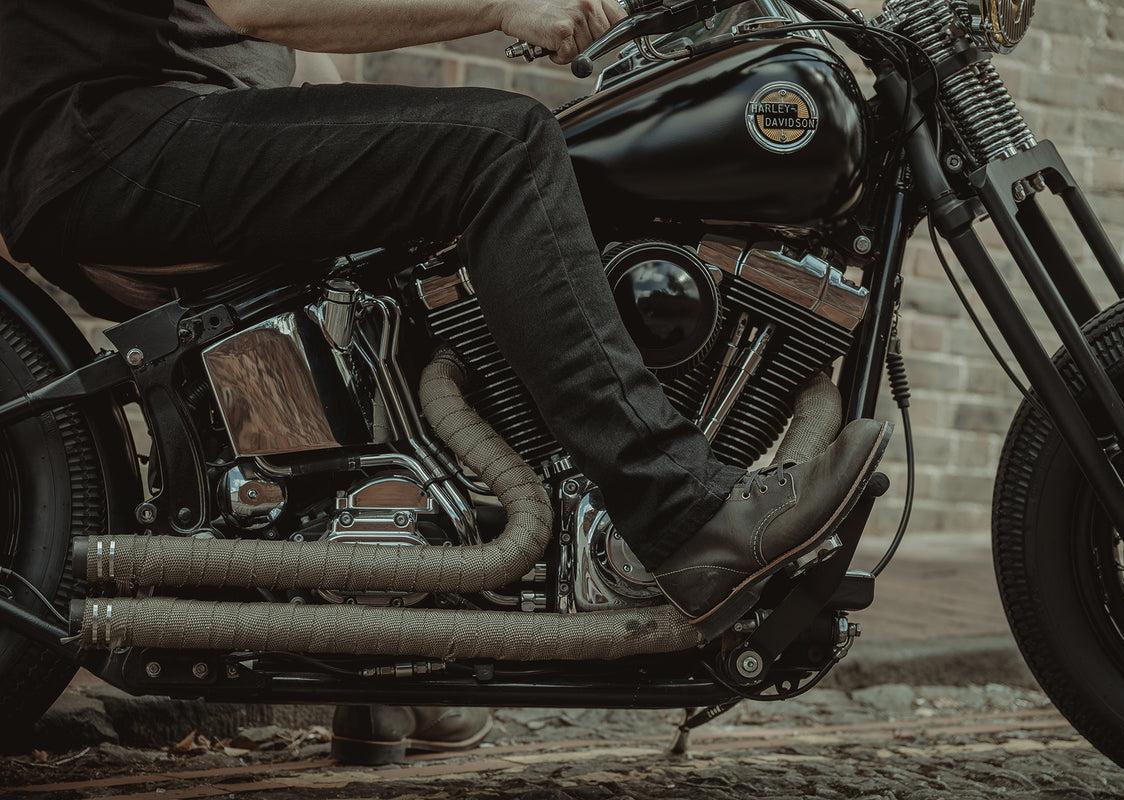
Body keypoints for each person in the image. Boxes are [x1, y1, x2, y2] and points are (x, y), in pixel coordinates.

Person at [0, 0, 888, 727]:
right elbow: (258, 5)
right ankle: (686, 517)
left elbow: (272, 47)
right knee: (503, 145)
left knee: (419, 218)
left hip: (153, 126)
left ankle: (380, 650)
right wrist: (504, 7)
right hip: (106, 138)